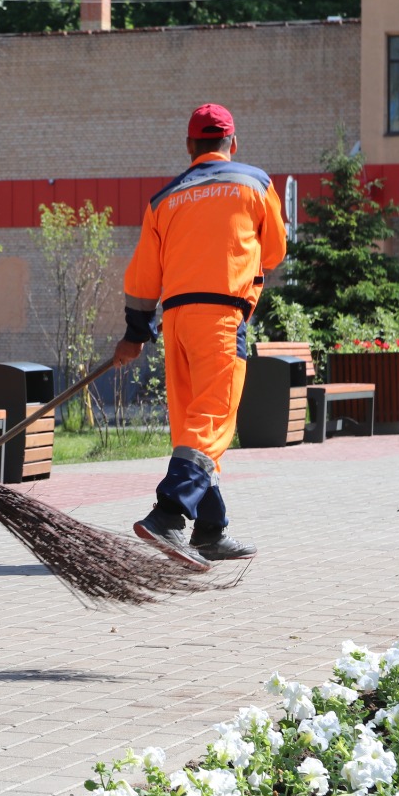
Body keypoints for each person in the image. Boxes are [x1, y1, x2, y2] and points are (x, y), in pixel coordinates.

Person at [114, 103, 286, 571]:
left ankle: (210, 529)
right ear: (234, 144)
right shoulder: (256, 182)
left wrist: (135, 334)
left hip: (177, 319)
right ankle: (169, 513)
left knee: (191, 422)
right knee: (213, 419)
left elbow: (142, 278)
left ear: (190, 146)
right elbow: (273, 251)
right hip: (222, 316)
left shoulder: (164, 198)